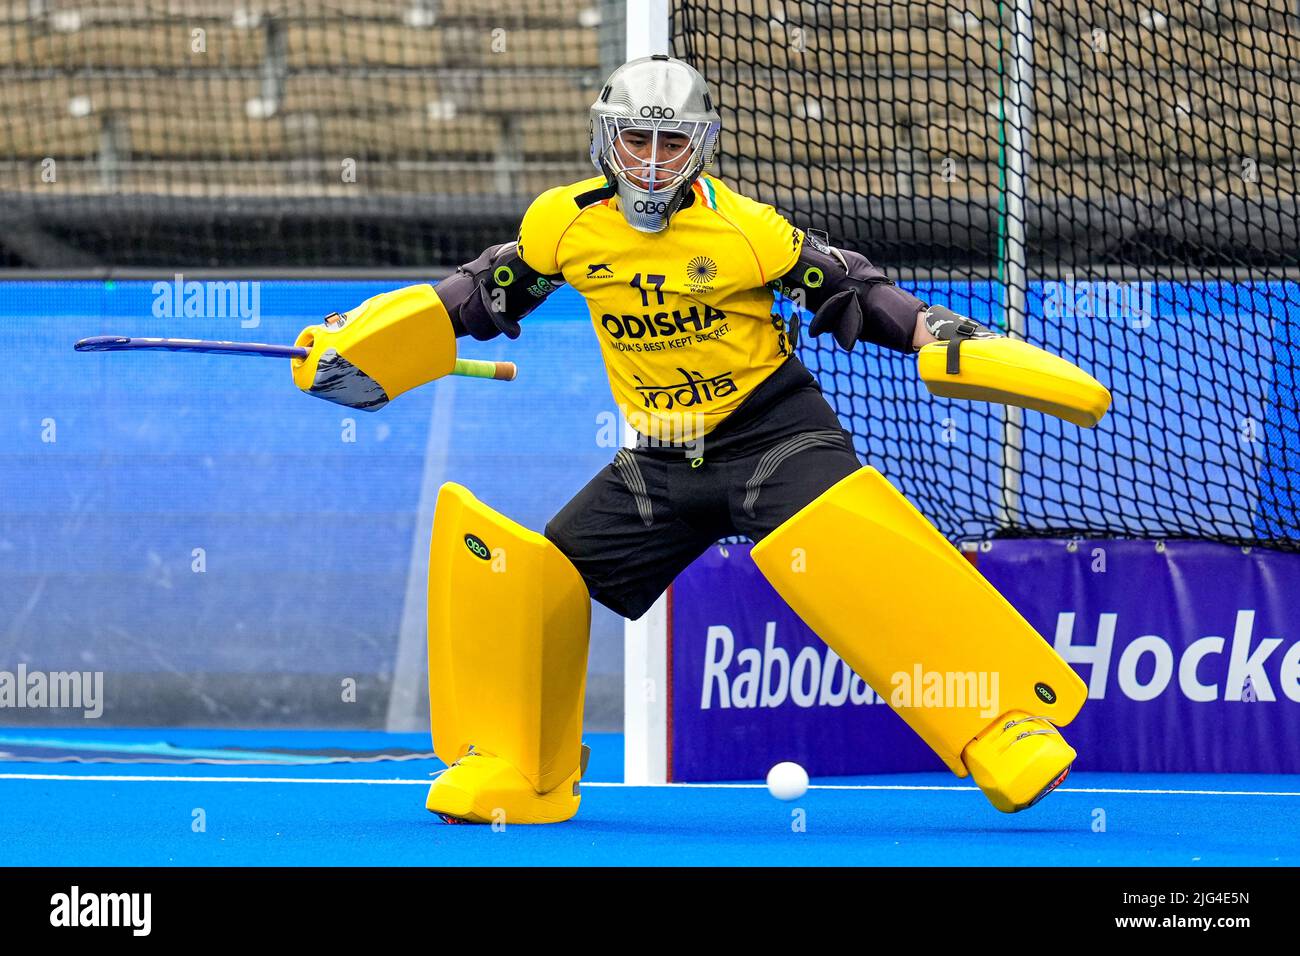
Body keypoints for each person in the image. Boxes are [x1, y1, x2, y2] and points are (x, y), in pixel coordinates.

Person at [327, 55, 1083, 824]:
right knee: (539, 574)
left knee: (856, 548)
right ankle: (522, 771)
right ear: (604, 140)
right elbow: (483, 293)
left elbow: (851, 288)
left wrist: (938, 332)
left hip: (773, 435)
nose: (652, 163)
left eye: (671, 144)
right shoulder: (564, 225)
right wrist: (370, 344)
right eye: (635, 141)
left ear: (701, 148)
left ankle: (1001, 724)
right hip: (661, 459)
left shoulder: (745, 230)